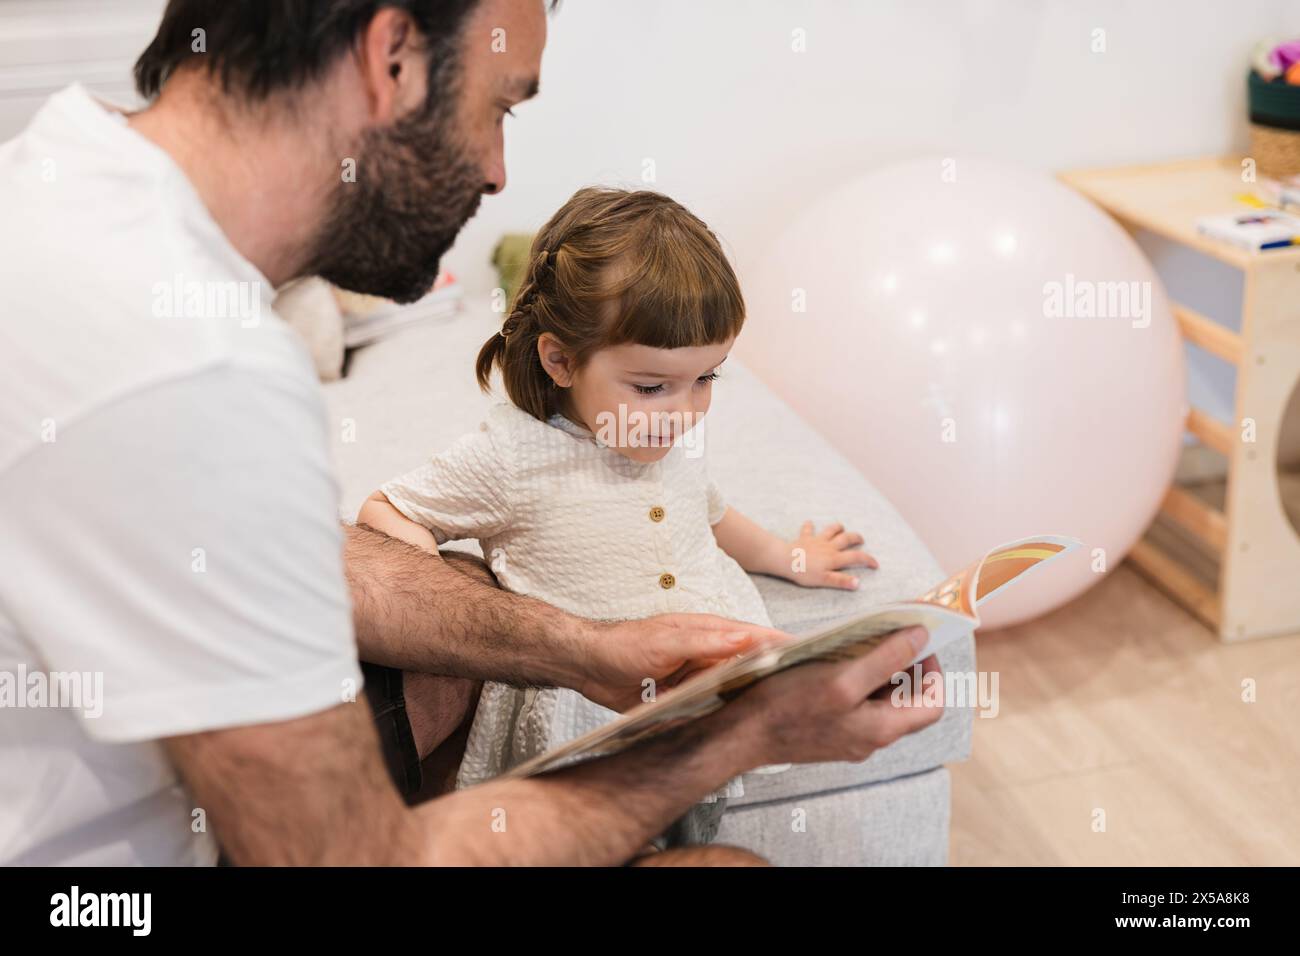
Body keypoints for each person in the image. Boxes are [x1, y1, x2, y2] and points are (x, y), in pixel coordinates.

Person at [0, 0, 943, 866]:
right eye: (501, 108)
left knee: (457, 588)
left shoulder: (59, 187)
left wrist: (580, 647)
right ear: (393, 56)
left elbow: (302, 555)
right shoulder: (195, 369)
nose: (497, 171)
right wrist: (744, 732)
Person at [359, 186, 880, 843]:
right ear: (561, 360)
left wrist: (788, 556)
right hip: (591, 718)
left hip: (703, 695)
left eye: (707, 380)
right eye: (652, 388)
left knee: (695, 824)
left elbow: (709, 515)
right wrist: (435, 588)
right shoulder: (515, 456)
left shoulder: (663, 437)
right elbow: (390, 506)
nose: (685, 413)